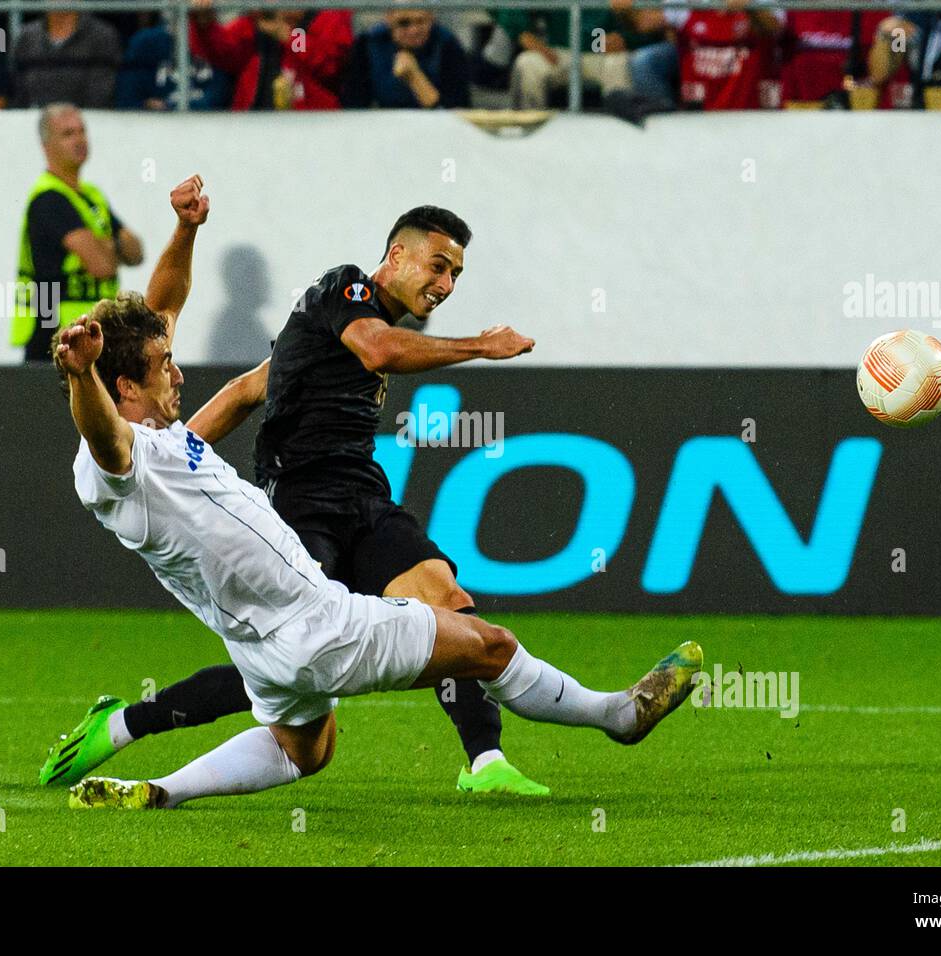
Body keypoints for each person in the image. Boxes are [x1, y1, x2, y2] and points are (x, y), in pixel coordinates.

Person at [50, 176, 704, 810]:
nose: (180, 371)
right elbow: (109, 439)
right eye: (165, 368)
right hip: (315, 611)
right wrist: (82, 379)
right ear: (124, 390)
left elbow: (167, 314)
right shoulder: (122, 458)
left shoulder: (165, 440)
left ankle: (162, 792)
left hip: (277, 628)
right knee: (490, 648)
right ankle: (616, 715)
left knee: (307, 749)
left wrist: (185, 230)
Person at [11, 105, 144, 363]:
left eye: (82, 131)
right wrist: (112, 247)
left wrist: (104, 245)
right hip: (55, 335)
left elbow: (136, 251)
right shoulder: (48, 198)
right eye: (68, 134)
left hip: (93, 333)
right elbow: (102, 265)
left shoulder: (91, 195)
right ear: (46, 145)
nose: (79, 139)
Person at [188, 3, 352, 110]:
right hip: (255, 127)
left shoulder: (329, 16)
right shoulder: (257, 20)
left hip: (312, 129)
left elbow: (328, 66)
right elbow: (225, 53)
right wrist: (205, 24)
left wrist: (290, 35)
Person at [496, 6, 633, 109]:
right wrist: (522, 34)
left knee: (619, 64)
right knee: (528, 63)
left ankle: (622, 130)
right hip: (560, 53)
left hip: (605, 54)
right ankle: (528, 131)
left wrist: (628, 40)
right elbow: (506, 7)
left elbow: (648, 21)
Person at [341, 7, 472, 109]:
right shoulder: (368, 43)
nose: (413, 30)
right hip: (385, 126)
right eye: (404, 23)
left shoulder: (446, 44)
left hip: (435, 128)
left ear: (431, 18)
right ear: (389, 19)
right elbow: (354, 105)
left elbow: (459, 112)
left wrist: (415, 79)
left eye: (421, 21)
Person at [115, 15, 232, 110]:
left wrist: (171, 107)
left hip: (209, 128)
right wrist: (144, 105)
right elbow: (127, 97)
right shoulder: (146, 42)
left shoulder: (218, 40)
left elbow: (219, 95)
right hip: (152, 128)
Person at [12, 10, 122, 108]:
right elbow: (19, 89)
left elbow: (100, 91)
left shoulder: (102, 35)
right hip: (32, 120)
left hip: (85, 121)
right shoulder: (27, 36)